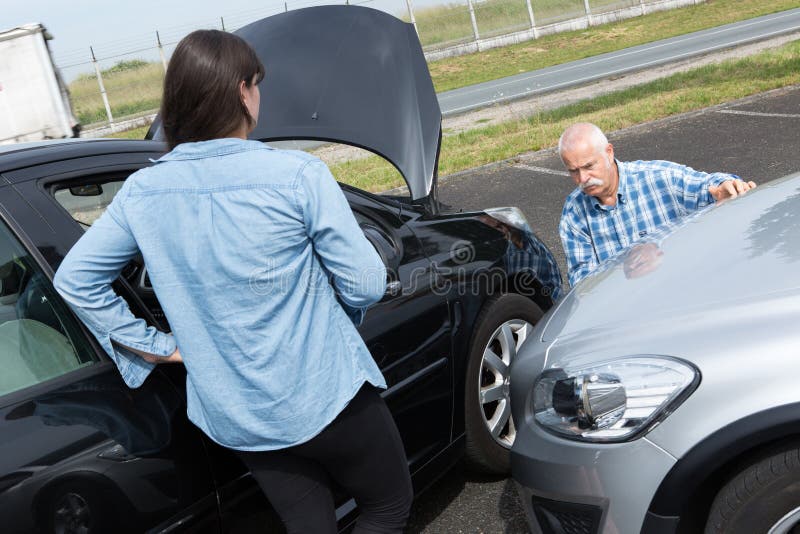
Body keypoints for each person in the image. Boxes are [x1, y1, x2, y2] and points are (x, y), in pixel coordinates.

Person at [53, 30, 413, 534]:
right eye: (257, 85)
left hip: (240, 413)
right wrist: (334, 313)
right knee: (387, 507)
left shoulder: (142, 191)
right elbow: (367, 284)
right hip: (326, 393)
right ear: (243, 92)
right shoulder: (297, 175)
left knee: (309, 526)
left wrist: (156, 346)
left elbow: (75, 279)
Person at [557, 122, 756, 286]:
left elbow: (707, 186)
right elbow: (582, 283)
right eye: (573, 171)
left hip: (683, 289)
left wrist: (723, 186)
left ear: (609, 153)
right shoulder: (574, 213)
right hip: (621, 311)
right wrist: (621, 267)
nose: (582, 178)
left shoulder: (657, 177)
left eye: (589, 166)